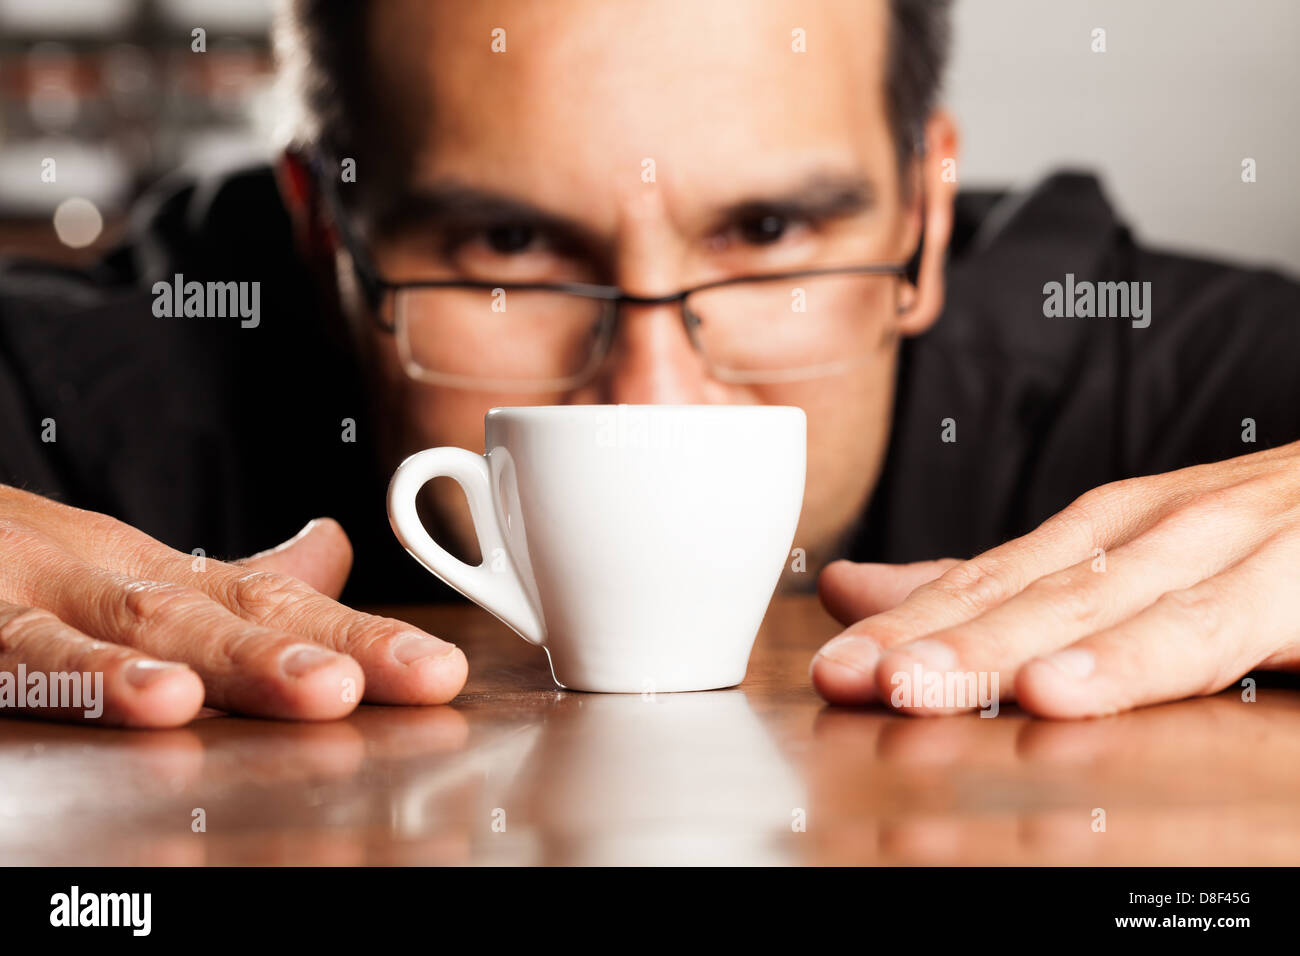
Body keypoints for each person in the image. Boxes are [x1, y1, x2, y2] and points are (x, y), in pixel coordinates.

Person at [1, 0, 1297, 727]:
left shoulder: (1155, 366)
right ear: (319, 232)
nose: (652, 398)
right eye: (506, 243)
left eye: (773, 232)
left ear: (924, 215)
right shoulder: (88, 385)